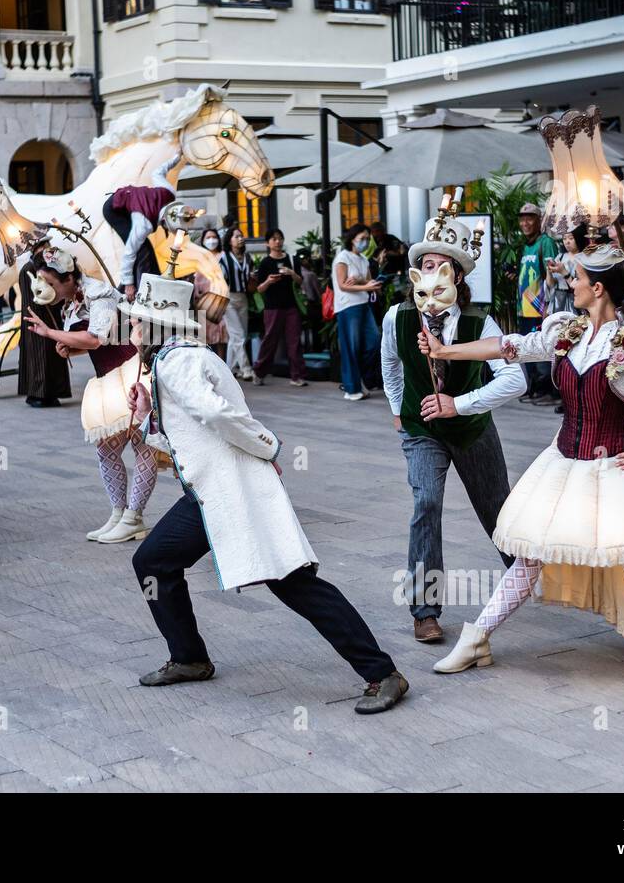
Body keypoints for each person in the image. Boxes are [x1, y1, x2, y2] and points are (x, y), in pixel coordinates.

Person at [425, 241, 624, 687]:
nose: (571, 282)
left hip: (619, 464)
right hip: (565, 461)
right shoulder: (566, 331)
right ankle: (477, 638)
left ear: (597, 288)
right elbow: (510, 346)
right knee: (529, 555)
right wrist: (446, 352)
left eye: (577, 278)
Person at [122, 272, 408, 714]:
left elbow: (217, 416)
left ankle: (382, 673)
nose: (133, 330)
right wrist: (147, 418)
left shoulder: (175, 362)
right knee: (153, 562)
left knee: (293, 582)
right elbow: (192, 438)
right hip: (210, 493)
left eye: (139, 322)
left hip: (232, 492)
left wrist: (268, 445)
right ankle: (189, 657)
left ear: (159, 326)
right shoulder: (177, 359)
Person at [380, 207, 524, 643]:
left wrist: (458, 404)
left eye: (441, 266)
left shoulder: (480, 322)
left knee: (499, 510)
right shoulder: (398, 317)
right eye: (424, 265)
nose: (430, 273)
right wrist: (396, 407)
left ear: (457, 277)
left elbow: (515, 379)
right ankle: (425, 610)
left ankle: (531, 577)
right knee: (426, 504)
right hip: (421, 430)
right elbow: (389, 363)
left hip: (472, 428)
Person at [25, 246, 158, 543]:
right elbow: (91, 341)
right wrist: (70, 347)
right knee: (106, 450)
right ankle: (118, 513)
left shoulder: (98, 293)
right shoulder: (71, 299)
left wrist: (52, 334)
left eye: (51, 282)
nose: (46, 288)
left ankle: (133, 518)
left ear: (70, 277)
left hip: (131, 371)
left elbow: (97, 339)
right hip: (107, 378)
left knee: (142, 445)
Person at [514, 203, 560, 405]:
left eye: (530, 218)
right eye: (522, 218)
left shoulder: (546, 242)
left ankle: (548, 390)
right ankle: (533, 387)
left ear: (539, 220)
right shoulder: (525, 245)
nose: (525, 222)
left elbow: (552, 275)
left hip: (539, 307)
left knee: (542, 349)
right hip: (524, 308)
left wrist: (548, 307)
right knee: (528, 347)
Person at [332, 224, 383, 402]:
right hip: (348, 306)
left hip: (363, 304)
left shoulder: (363, 259)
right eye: (362, 238)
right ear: (352, 238)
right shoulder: (343, 257)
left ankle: (357, 379)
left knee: (374, 342)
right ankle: (351, 387)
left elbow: (368, 281)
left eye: (367, 239)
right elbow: (342, 285)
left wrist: (367, 284)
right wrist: (366, 285)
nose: (365, 242)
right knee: (351, 347)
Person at [17, 248, 71, 408]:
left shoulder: (45, 267)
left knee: (53, 354)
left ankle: (52, 393)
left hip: (51, 315)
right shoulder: (28, 269)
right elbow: (34, 298)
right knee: (39, 356)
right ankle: (37, 394)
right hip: (36, 318)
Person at [252, 229, 306, 387]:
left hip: (291, 306)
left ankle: (297, 376)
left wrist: (291, 273)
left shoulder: (292, 259)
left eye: (280, 238)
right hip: (272, 307)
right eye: (274, 239)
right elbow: (259, 289)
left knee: (294, 341)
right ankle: (259, 372)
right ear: (267, 243)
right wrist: (269, 281)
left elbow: (300, 281)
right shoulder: (265, 263)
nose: (277, 242)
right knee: (270, 340)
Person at [218, 226, 254, 381]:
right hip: (229, 298)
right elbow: (219, 279)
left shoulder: (248, 257)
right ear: (229, 240)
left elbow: (250, 277)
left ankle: (230, 368)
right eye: (237, 236)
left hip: (243, 297)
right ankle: (246, 369)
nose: (241, 238)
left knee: (238, 336)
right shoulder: (224, 257)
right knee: (238, 335)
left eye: (241, 236)